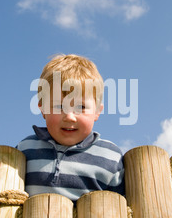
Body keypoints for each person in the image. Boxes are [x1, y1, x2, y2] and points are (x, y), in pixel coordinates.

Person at [17, 54, 125, 202]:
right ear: (43, 109)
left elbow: (121, 209)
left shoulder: (111, 158)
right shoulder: (25, 150)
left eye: (80, 107)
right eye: (59, 106)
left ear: (97, 112)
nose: (69, 117)